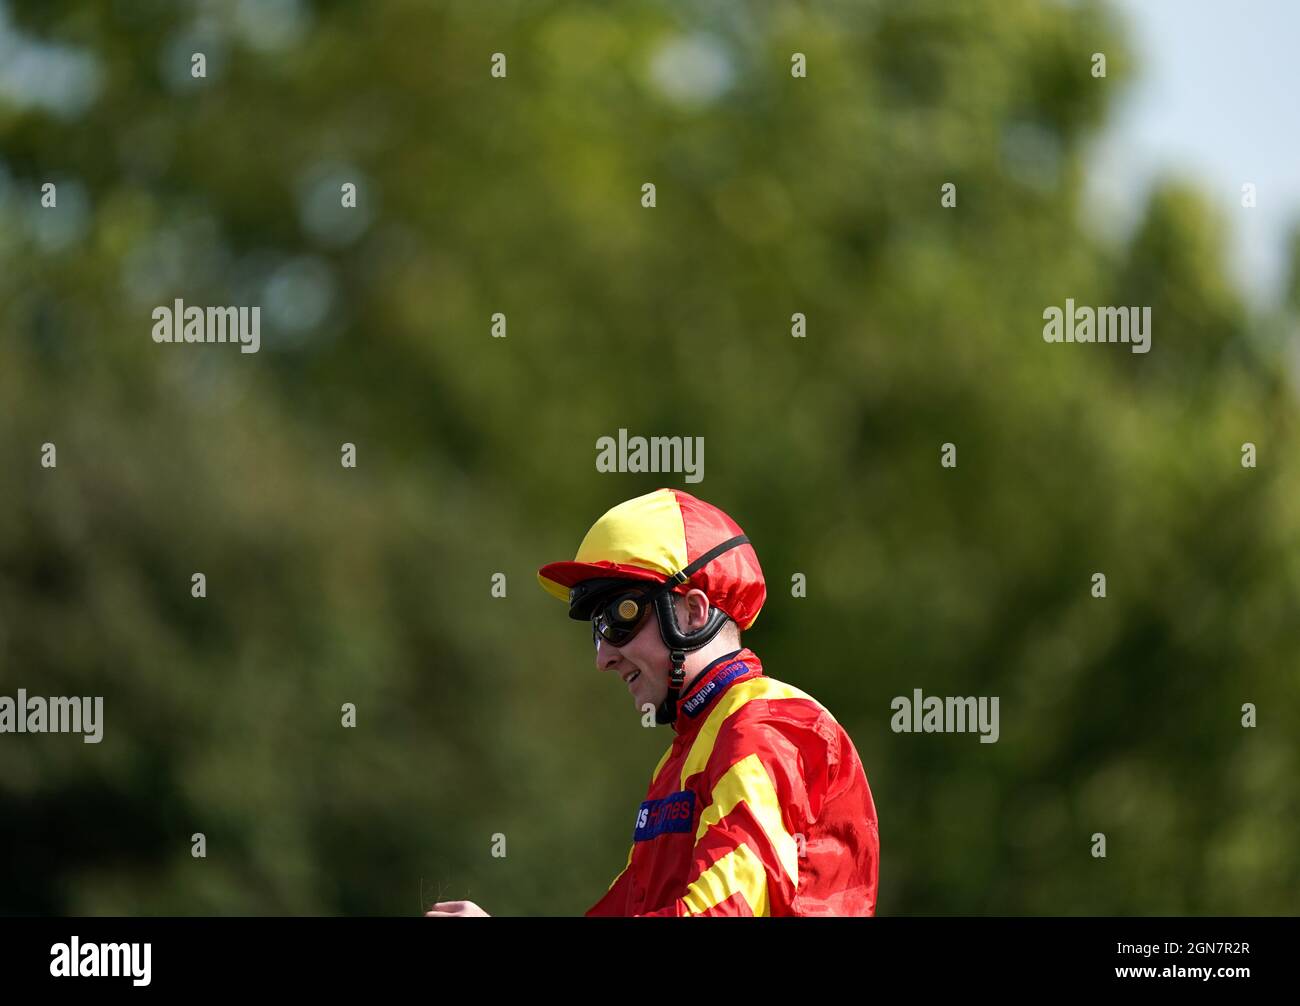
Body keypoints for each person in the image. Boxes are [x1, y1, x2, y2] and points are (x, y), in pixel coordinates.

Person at [427, 488, 879, 917]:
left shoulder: (764, 728)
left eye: (619, 617)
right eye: (596, 630)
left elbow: (726, 910)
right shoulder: (685, 756)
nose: (603, 657)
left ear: (695, 610)